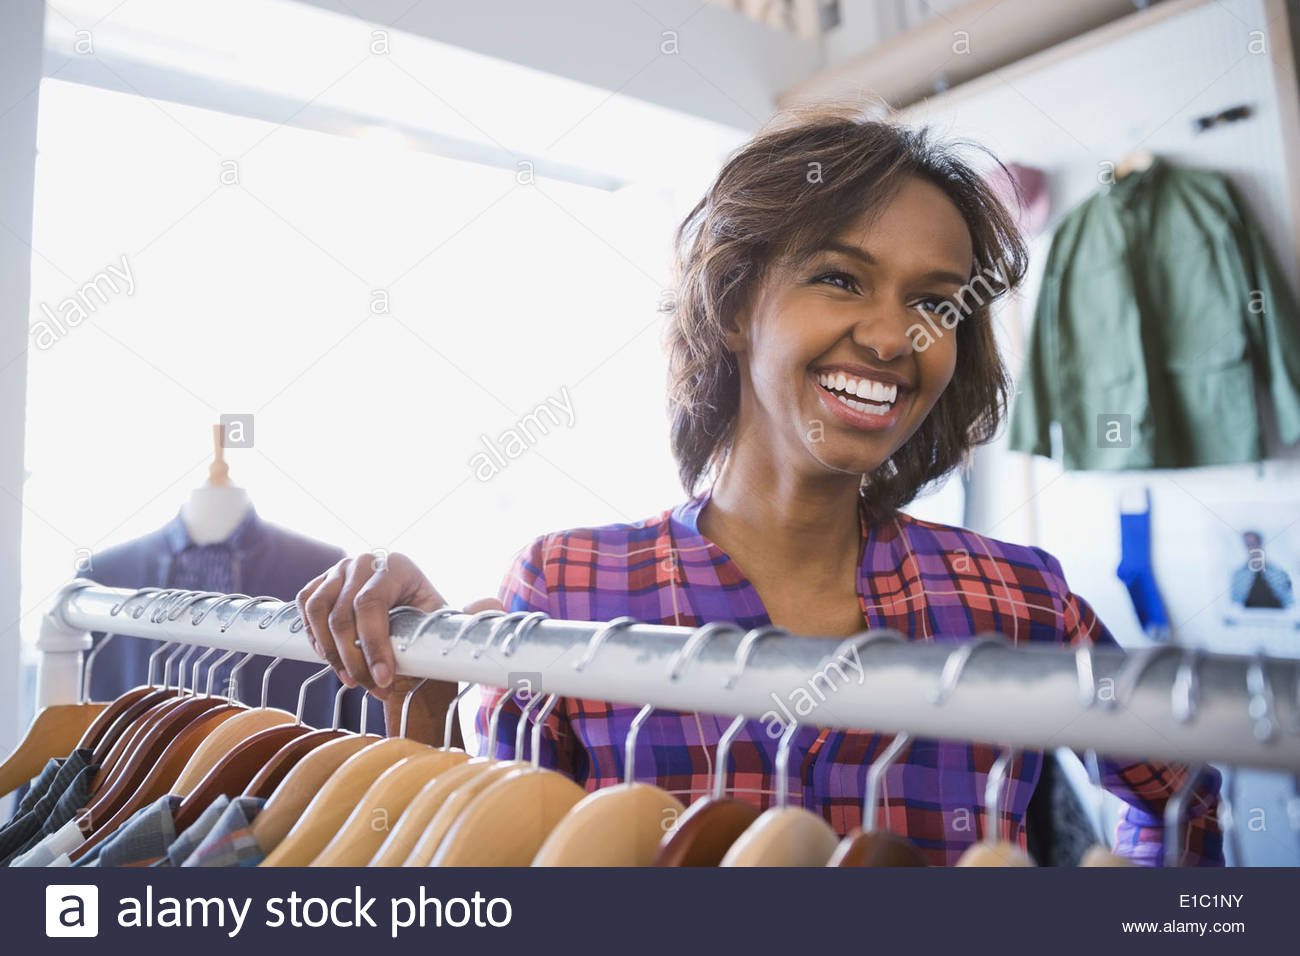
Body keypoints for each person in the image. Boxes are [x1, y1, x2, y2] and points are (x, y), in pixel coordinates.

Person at [296, 103, 1222, 866]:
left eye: (934, 302)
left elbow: (1184, 806)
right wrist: (429, 662)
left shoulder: (1021, 600)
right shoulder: (568, 587)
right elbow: (508, 857)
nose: (896, 337)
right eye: (841, 278)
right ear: (736, 305)